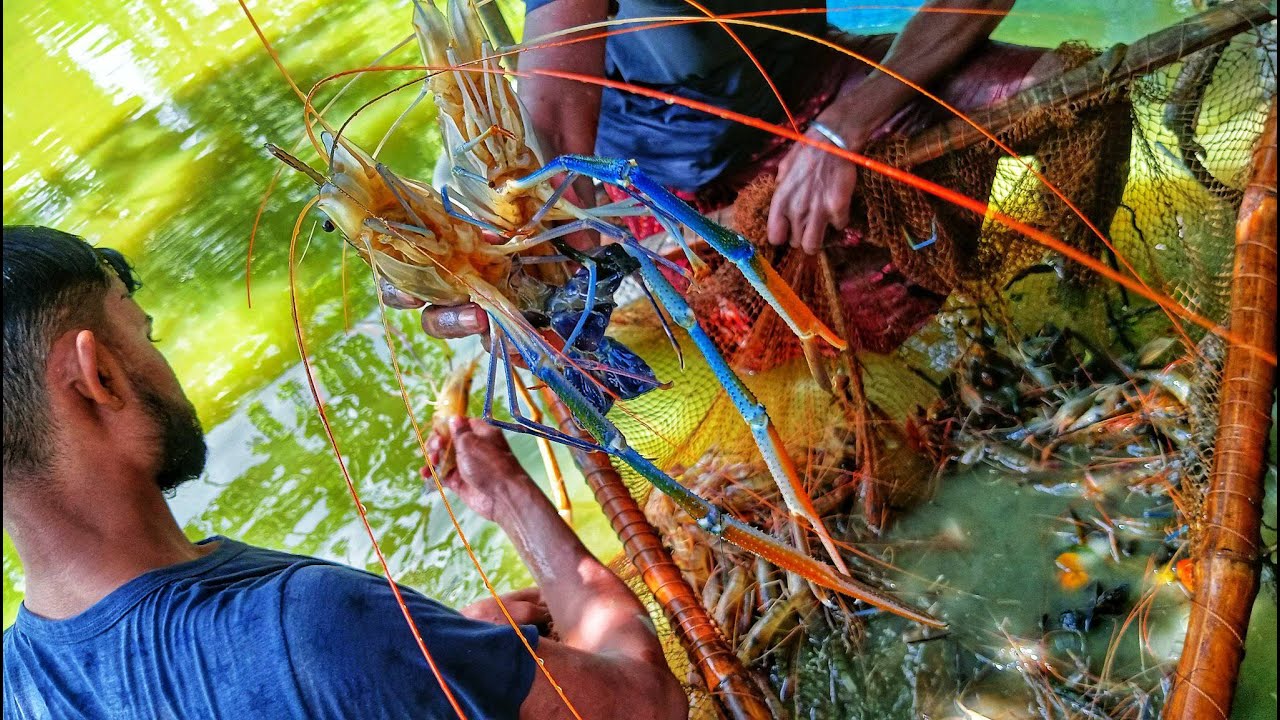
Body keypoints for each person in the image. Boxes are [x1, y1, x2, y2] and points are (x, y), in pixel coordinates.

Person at [1, 225, 686, 719]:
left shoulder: (16, 689)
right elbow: (644, 703)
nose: (160, 361)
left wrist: (447, 651)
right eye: (144, 335)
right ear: (98, 376)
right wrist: (510, 496)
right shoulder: (314, 626)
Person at [421, 0, 1064, 353]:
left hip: (815, 89)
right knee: (743, 354)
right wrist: (512, 247)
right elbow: (555, 124)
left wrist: (849, 123)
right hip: (647, 176)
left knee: (1060, 87)